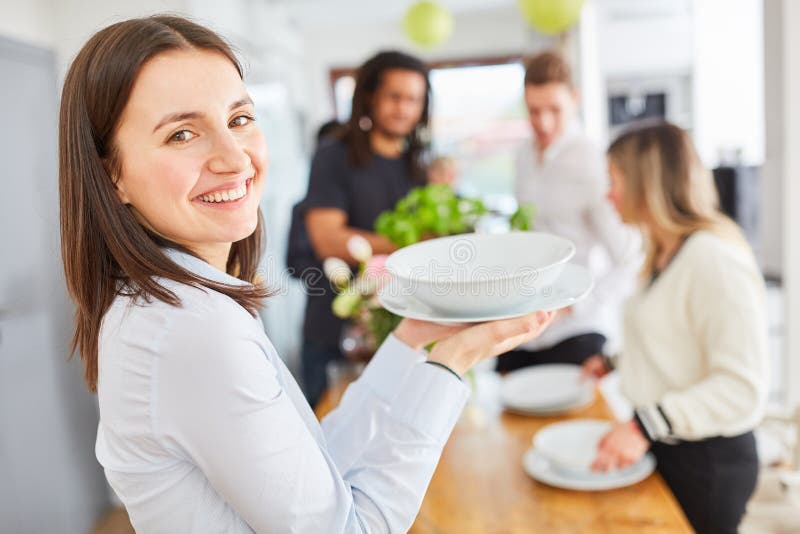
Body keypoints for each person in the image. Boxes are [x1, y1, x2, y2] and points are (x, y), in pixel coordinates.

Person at [58, 15, 555, 532]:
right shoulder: (194, 330)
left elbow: (316, 469)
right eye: (182, 134)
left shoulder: (177, 304)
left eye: (239, 119)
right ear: (111, 173)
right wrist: (452, 362)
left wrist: (413, 338)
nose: (235, 158)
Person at [583, 122, 768, 533]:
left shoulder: (713, 259)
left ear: (645, 185)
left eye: (614, 181)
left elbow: (741, 388)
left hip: (709, 462)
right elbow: (673, 336)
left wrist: (644, 425)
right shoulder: (664, 252)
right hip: (670, 445)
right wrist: (614, 361)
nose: (608, 195)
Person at [299, 51, 432, 406]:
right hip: (336, 334)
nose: (404, 109)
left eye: (414, 100)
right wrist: (409, 244)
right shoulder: (333, 155)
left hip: (399, 332)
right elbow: (327, 240)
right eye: (394, 97)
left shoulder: (417, 166)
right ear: (370, 97)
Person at [496, 51, 640, 372]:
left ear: (575, 99)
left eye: (554, 110)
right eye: (534, 111)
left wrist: (572, 307)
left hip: (577, 329)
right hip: (525, 324)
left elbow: (629, 260)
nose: (543, 123)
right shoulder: (522, 156)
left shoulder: (595, 161)